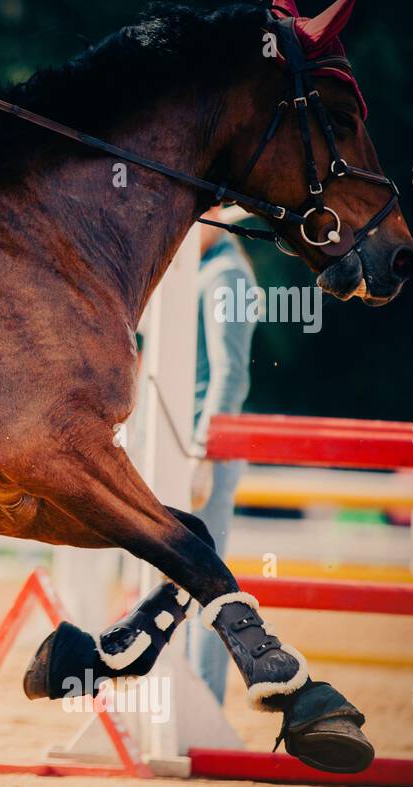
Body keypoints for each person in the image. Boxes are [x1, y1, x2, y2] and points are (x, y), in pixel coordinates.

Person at [188, 206, 260, 705]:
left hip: (204, 448)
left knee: (208, 581)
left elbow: (230, 376)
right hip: (184, 443)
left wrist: (204, 453)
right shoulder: (197, 270)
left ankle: (205, 701)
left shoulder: (227, 275)